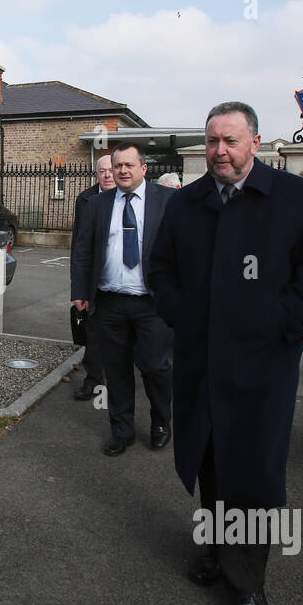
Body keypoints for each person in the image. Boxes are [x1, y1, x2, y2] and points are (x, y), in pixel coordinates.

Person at [148, 102, 303, 605]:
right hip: (202, 365)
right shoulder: (187, 204)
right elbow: (160, 269)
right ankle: (217, 547)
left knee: (253, 475)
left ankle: (249, 583)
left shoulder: (295, 199)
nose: (219, 151)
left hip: (262, 370)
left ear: (255, 143)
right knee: (210, 462)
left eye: (231, 141)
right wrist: (182, 313)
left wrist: (283, 323)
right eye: (212, 141)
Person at [71, 142, 174, 456]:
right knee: (115, 370)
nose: (122, 171)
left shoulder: (168, 201)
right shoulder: (97, 204)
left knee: (155, 367)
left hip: (153, 304)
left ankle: (160, 421)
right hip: (110, 302)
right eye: (118, 166)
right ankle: (122, 430)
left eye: (129, 165)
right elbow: (83, 250)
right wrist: (80, 293)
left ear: (144, 168)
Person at [71, 155, 117, 401]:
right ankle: (94, 380)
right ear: (96, 174)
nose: (108, 175)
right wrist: (78, 290)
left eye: (111, 170)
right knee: (94, 332)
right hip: (95, 280)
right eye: (102, 171)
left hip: (124, 279)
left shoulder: (128, 197)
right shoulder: (86, 199)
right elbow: (79, 245)